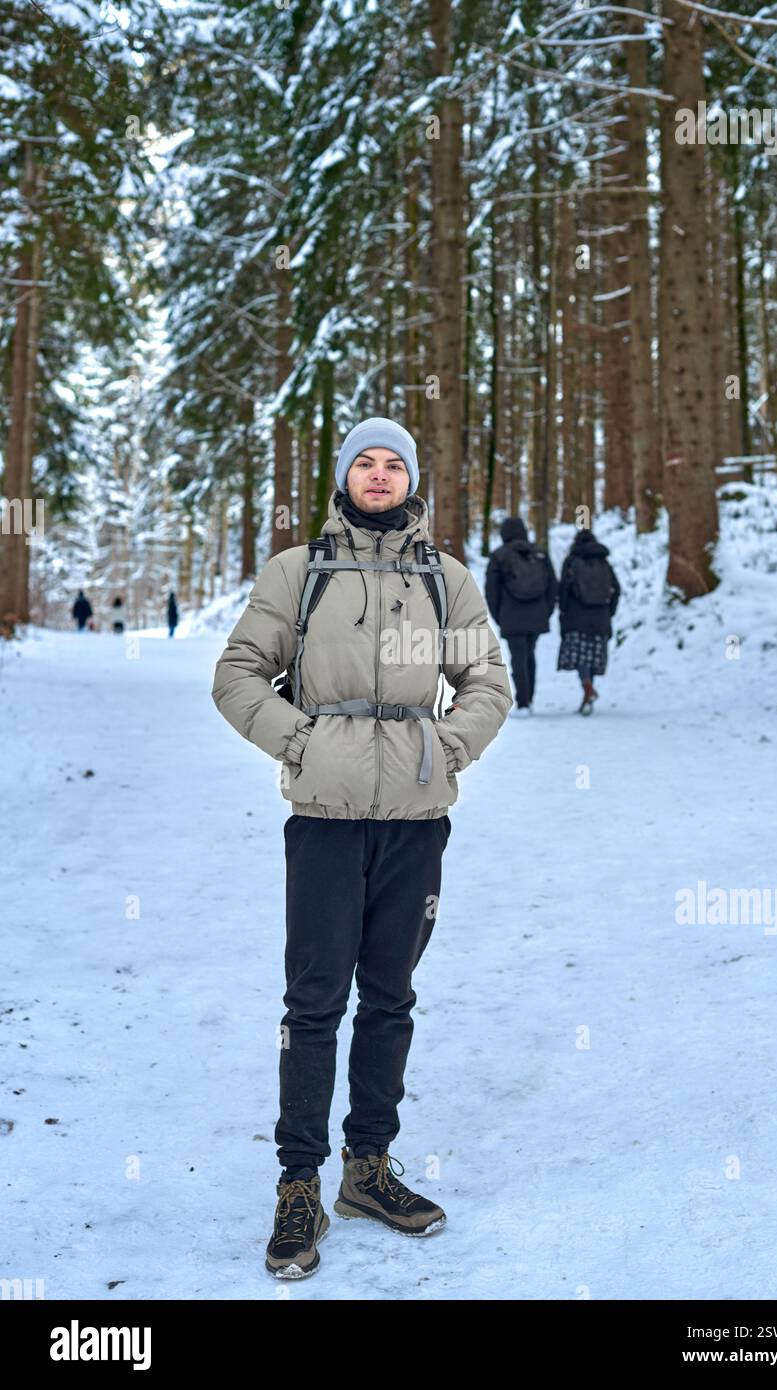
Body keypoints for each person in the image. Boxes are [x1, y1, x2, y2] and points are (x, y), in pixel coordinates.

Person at [211, 416, 513, 1279]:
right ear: (342, 478)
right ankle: (298, 1183)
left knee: (390, 997)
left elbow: (487, 681)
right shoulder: (298, 572)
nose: (379, 476)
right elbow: (235, 674)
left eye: (394, 465)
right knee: (314, 1003)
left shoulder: (443, 579)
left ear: (410, 479)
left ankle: (368, 1170)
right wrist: (300, 744)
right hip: (325, 821)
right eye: (364, 464)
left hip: (415, 823)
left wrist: (447, 750)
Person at [484, 516, 557, 717]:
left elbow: (491, 591)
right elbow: (552, 586)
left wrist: (499, 616)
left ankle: (523, 703)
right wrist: (546, 611)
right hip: (537, 615)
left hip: (511, 615)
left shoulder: (499, 556)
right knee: (530, 654)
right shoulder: (540, 553)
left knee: (518, 657)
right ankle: (529, 699)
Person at [556, 527, 621, 714]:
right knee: (593, 657)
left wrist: (564, 610)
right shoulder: (604, 562)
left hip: (577, 617)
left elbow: (564, 591)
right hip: (600, 616)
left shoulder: (571, 562)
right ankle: (588, 694)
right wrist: (610, 611)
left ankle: (586, 687)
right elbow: (616, 589)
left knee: (581, 657)